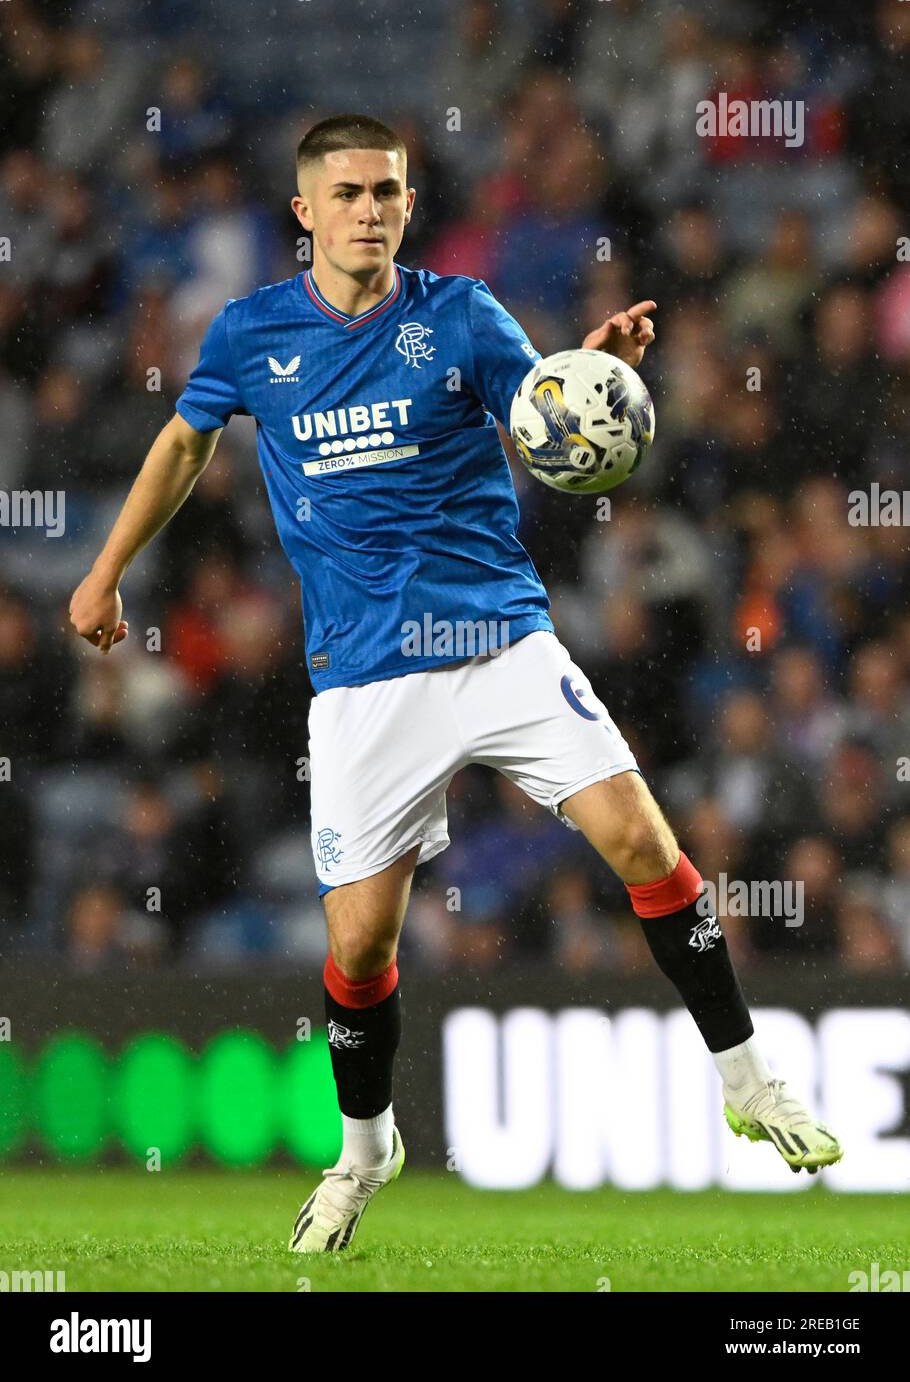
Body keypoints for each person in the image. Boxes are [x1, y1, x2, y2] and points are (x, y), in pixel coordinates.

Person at [69, 115, 842, 1255]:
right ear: (304, 212)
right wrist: (103, 569)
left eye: (386, 190)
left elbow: (545, 422)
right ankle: (366, 1144)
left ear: (408, 204)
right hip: (365, 679)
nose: (369, 209)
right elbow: (184, 444)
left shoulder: (461, 315)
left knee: (640, 837)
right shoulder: (248, 336)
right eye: (346, 193)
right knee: (363, 947)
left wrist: (589, 377)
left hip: (498, 641)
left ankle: (745, 1076)